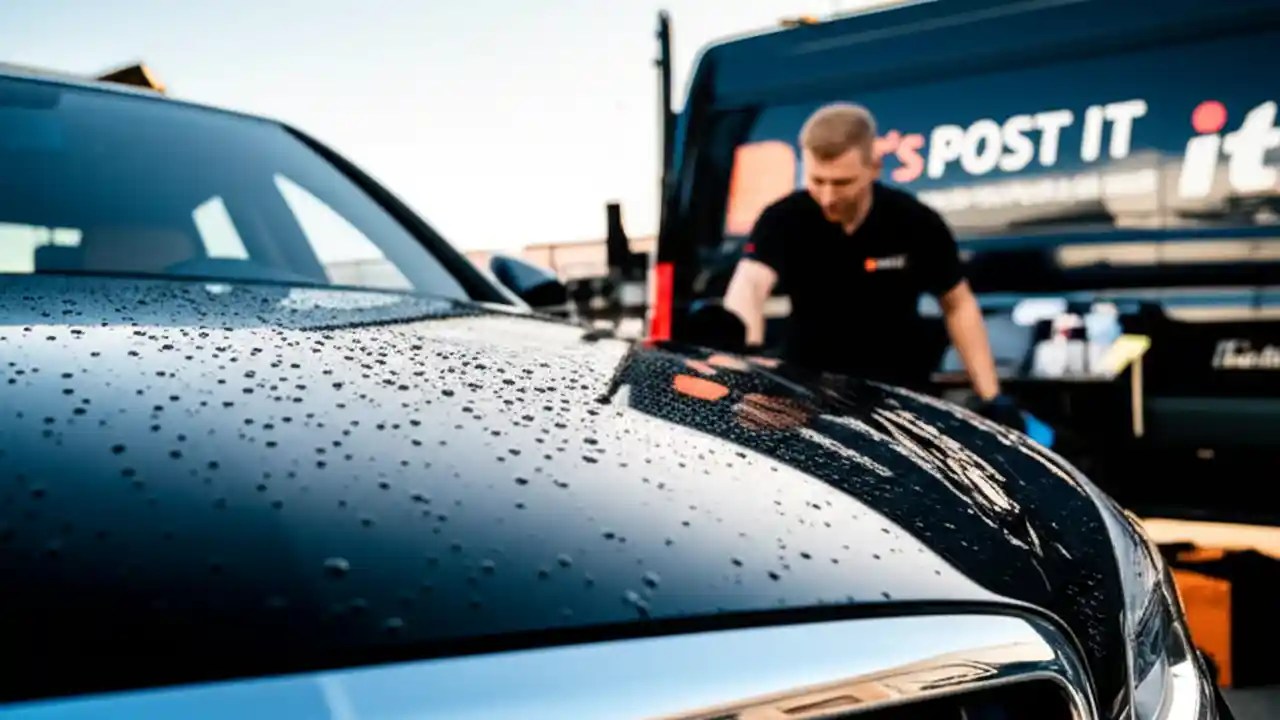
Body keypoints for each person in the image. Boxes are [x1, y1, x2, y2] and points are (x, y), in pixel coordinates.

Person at [723, 102, 1023, 429]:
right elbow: (749, 286)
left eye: (841, 182)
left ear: (874, 167)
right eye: (816, 180)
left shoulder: (915, 222)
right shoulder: (783, 219)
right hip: (806, 394)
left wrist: (991, 396)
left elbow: (958, 304)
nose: (826, 196)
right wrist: (746, 367)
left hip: (896, 396)